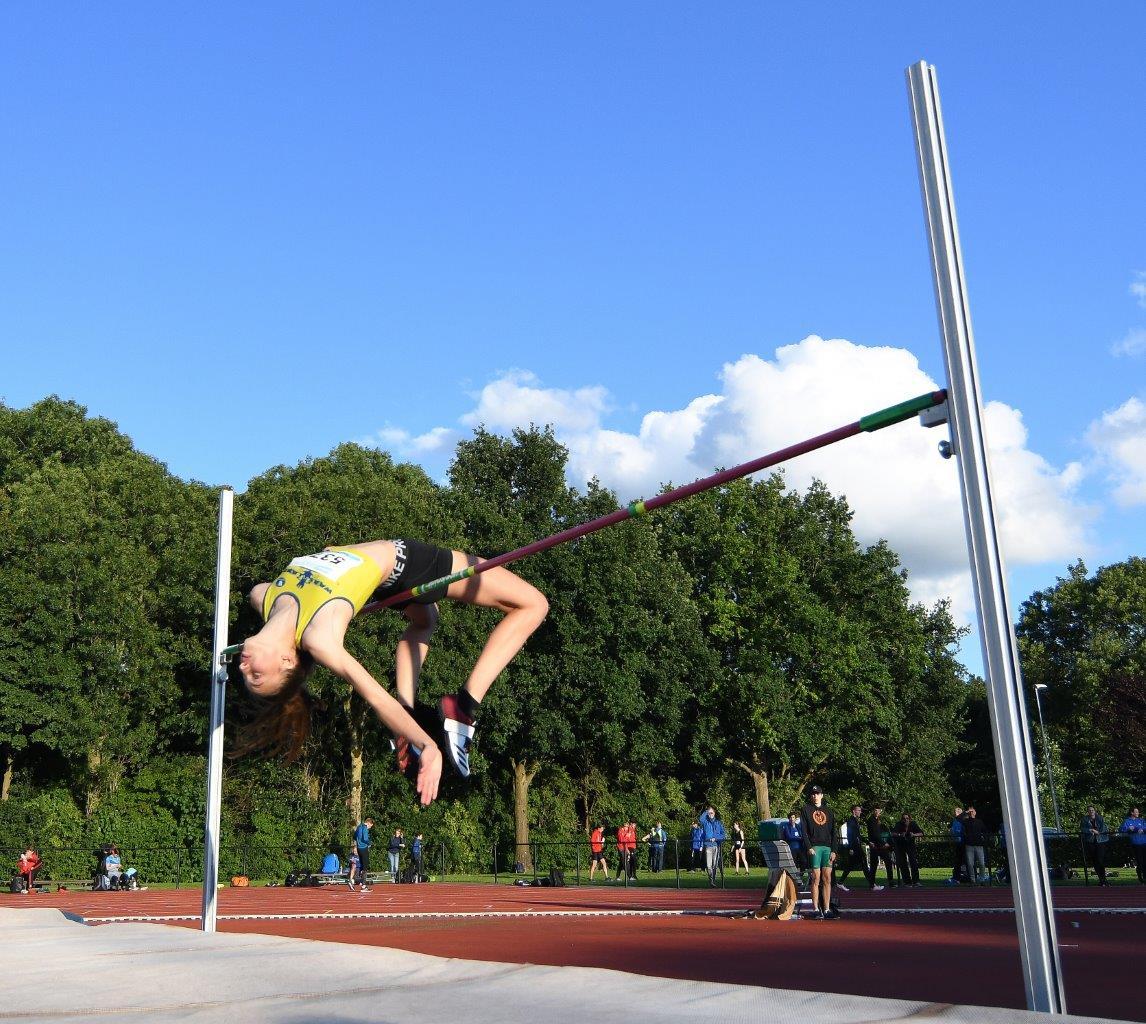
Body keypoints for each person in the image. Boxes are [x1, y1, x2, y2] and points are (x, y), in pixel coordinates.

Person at [235, 539, 549, 802]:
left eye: (249, 677)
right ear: (287, 662)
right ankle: (465, 706)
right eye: (258, 677)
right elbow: (374, 696)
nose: (244, 668)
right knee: (533, 604)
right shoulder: (319, 637)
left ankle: (408, 711)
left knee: (426, 621)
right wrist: (428, 746)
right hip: (406, 562)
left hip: (384, 581)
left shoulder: (264, 598)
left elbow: (260, 590)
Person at [800, 786, 837, 919]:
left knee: (827, 878)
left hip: (827, 847)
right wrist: (808, 846)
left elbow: (834, 831)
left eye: (818, 793)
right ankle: (815, 908)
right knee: (816, 877)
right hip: (814, 847)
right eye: (813, 794)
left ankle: (826, 909)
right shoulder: (806, 809)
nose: (815, 796)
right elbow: (803, 830)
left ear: (822, 795)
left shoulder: (829, 811)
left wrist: (834, 850)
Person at [838, 805, 881, 892]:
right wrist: (851, 848)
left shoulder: (855, 821)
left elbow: (858, 835)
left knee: (855, 865)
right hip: (855, 847)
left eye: (860, 810)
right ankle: (872, 885)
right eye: (858, 810)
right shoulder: (851, 821)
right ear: (854, 811)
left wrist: (868, 842)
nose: (860, 812)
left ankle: (840, 882)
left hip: (856, 846)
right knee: (862, 865)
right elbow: (850, 835)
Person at [867, 804, 896, 888]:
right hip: (876, 846)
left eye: (878, 810)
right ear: (873, 811)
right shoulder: (871, 820)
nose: (877, 812)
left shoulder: (877, 820)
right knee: (875, 864)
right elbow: (875, 834)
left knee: (886, 862)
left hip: (878, 845)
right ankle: (873, 883)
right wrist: (884, 843)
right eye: (875, 810)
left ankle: (889, 881)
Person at [1081, 805, 1110, 886]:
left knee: (1100, 860)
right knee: (1095, 860)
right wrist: (1090, 830)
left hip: (1101, 841)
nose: (1091, 812)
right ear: (1088, 812)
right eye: (1089, 810)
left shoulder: (1100, 818)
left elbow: (1104, 828)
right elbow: (1082, 829)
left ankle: (1103, 878)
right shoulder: (1085, 819)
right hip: (1091, 841)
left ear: (1095, 811)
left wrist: (1097, 832)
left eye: (1092, 810)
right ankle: (1101, 879)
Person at [892, 813, 924, 886]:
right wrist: (900, 835)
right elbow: (893, 833)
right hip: (901, 845)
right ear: (901, 819)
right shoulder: (898, 824)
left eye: (907, 818)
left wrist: (914, 835)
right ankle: (907, 881)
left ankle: (916, 881)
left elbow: (921, 833)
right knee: (903, 863)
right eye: (904, 818)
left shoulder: (913, 824)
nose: (905, 820)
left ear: (910, 819)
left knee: (913, 862)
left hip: (910, 845)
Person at [699, 807, 726, 887]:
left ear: (714, 813)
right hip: (707, 845)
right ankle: (711, 881)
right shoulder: (705, 822)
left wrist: (716, 838)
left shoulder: (718, 823)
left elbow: (723, 835)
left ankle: (713, 880)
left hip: (716, 845)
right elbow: (701, 819)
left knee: (715, 865)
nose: (710, 814)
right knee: (708, 865)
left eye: (712, 813)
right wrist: (706, 811)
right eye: (709, 813)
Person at [1119, 806, 1146, 884]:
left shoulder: (1141, 820)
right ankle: (1141, 878)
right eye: (1136, 812)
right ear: (1132, 813)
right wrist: (1128, 829)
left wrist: (1142, 829)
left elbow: (1144, 828)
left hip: (1144, 843)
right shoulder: (1127, 821)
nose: (1137, 813)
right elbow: (1121, 829)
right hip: (1135, 844)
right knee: (1140, 861)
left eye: (1138, 812)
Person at [962, 806, 989, 885]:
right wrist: (966, 812)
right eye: (970, 812)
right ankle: (972, 880)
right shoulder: (966, 821)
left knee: (981, 863)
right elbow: (959, 818)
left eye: (973, 811)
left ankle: (982, 879)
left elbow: (985, 831)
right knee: (970, 863)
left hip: (979, 844)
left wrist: (984, 839)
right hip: (969, 845)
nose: (971, 813)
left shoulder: (979, 821)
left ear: (975, 812)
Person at [948, 806, 967, 885]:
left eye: (954, 812)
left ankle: (962, 876)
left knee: (962, 860)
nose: (953, 814)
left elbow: (958, 831)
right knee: (958, 860)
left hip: (962, 842)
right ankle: (957, 876)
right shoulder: (955, 821)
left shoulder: (962, 820)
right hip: (957, 842)